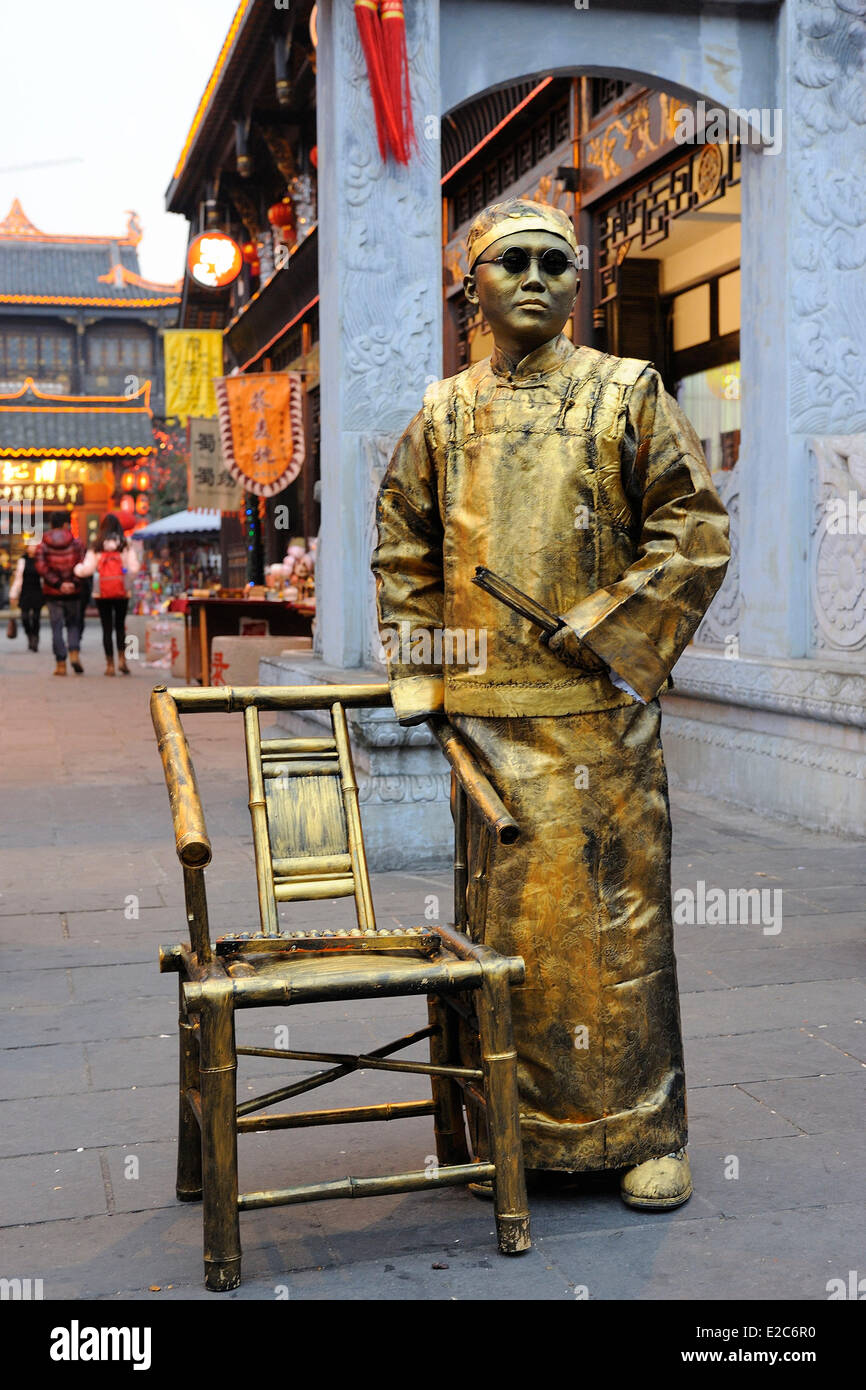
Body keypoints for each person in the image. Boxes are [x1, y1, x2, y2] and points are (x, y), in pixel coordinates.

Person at [372, 198, 731, 1210]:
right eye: (508, 263)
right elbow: (402, 544)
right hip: (485, 722)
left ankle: (642, 1130)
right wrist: (421, 670)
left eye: (551, 264)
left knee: (617, 937)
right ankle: (501, 1130)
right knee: (502, 940)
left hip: (597, 722)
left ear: (576, 284)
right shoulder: (442, 411)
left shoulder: (628, 391)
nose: (532, 279)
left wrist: (613, 618)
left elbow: (692, 530)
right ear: (471, 287)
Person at [74, 513, 141, 675]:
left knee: (106, 628)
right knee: (120, 627)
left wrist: (77, 569)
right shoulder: (125, 544)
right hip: (121, 592)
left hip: (101, 592)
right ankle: (122, 660)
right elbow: (134, 568)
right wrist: (126, 580)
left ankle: (110, 665)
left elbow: (87, 569)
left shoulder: (96, 545)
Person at [35, 510, 86, 675]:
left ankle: (61, 664)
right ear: (66, 524)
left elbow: (41, 567)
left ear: (51, 524)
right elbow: (83, 566)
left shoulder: (43, 544)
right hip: (74, 591)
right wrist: (72, 583)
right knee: (73, 624)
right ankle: (74, 653)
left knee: (56, 627)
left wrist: (57, 584)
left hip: (52, 592)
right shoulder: (77, 544)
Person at [9, 538, 44, 650]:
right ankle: (29, 635)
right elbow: (18, 578)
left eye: (35, 546)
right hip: (25, 592)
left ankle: (35, 637)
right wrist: (13, 594)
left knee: (36, 617)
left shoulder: (41, 560)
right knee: (24, 617)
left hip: (38, 591)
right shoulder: (22, 560)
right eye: (31, 546)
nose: (32, 548)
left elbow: (45, 577)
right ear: (27, 548)